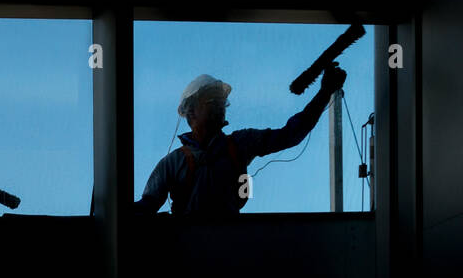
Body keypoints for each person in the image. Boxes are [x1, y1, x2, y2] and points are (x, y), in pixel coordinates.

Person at [132, 64, 347, 218]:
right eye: (211, 100)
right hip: (196, 255)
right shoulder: (171, 164)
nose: (219, 105)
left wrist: (324, 93)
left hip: (228, 249)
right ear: (191, 113)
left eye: (221, 101)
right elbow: (145, 209)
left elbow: (290, 134)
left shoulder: (241, 143)